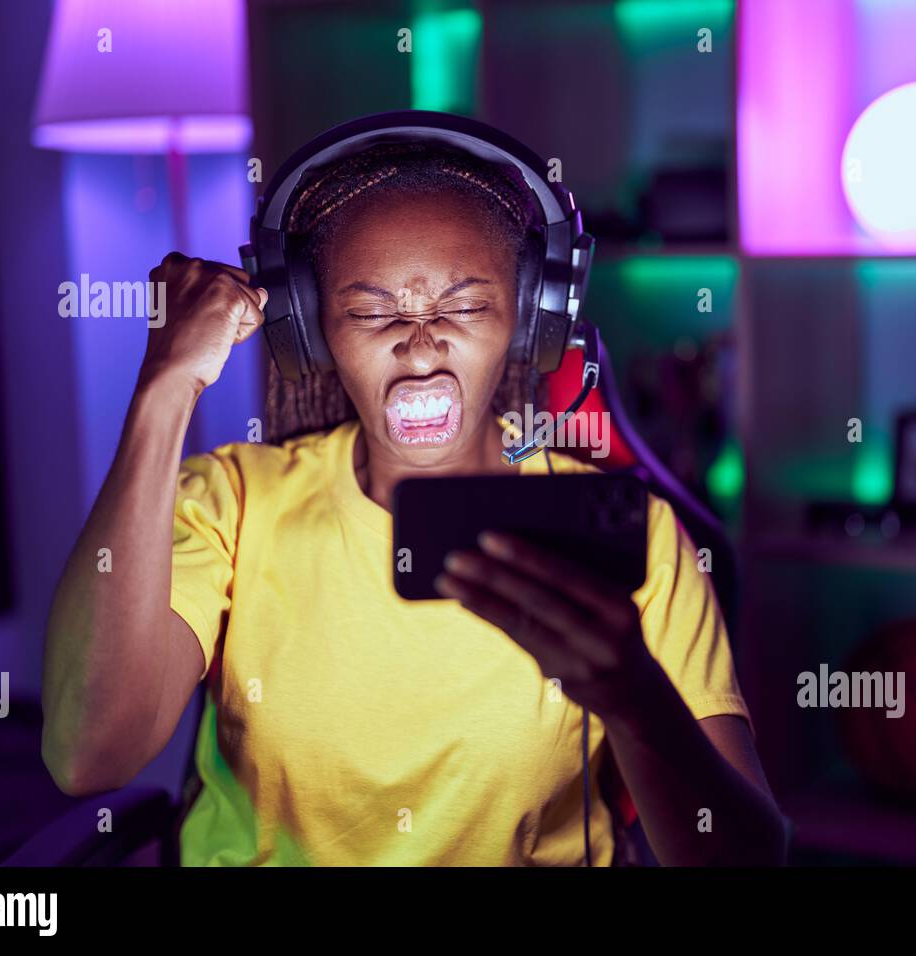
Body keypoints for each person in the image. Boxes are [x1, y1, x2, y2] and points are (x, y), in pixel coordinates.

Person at [41, 134, 787, 866]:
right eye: (371, 313)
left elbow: (747, 859)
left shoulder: (633, 537)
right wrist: (165, 386)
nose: (422, 347)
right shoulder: (232, 503)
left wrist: (634, 698)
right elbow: (89, 755)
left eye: (465, 308)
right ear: (310, 327)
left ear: (532, 317)